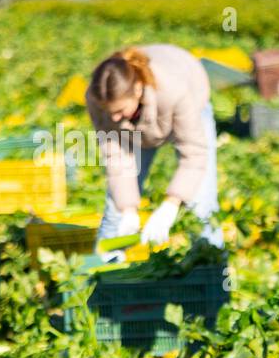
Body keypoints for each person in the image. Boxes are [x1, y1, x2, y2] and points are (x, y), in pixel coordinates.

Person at [86, 45, 224, 260]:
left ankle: (212, 277)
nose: (114, 118)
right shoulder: (99, 100)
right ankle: (104, 279)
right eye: (110, 112)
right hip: (136, 130)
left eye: (120, 111)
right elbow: (116, 158)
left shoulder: (174, 89)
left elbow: (194, 154)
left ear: (138, 90)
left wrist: (171, 204)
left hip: (190, 95)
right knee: (116, 210)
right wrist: (129, 210)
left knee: (201, 207)